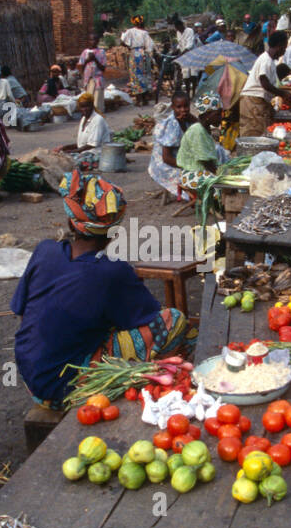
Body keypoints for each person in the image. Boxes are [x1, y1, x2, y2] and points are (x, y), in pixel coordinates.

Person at [11, 171, 191, 409]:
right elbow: (150, 315)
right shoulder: (112, 272)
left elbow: (22, 312)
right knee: (175, 321)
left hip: (30, 376)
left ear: (69, 222)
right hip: (67, 385)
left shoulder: (44, 251)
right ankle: (173, 377)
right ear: (114, 233)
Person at [238, 30, 291, 140]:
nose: (284, 51)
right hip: (253, 100)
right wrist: (283, 93)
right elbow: (265, 83)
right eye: (284, 48)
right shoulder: (266, 60)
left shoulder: (270, 61)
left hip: (258, 100)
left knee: (260, 133)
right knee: (253, 135)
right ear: (279, 46)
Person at [146, 97, 186, 199]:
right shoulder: (172, 125)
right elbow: (166, 158)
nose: (183, 110)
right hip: (163, 165)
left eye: (186, 107)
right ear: (173, 108)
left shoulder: (181, 121)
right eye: (179, 107)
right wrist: (188, 165)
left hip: (161, 161)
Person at [176, 94, 223, 174]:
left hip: (202, 169)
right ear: (206, 115)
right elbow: (205, 161)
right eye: (217, 114)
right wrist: (219, 174)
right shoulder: (197, 130)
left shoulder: (204, 128)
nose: (221, 118)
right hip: (193, 173)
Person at [121, 16, 156, 100]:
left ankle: (139, 98)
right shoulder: (144, 33)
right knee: (145, 74)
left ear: (134, 23)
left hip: (134, 54)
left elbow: (121, 41)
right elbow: (150, 46)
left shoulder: (130, 31)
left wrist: (129, 47)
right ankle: (145, 98)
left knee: (135, 75)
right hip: (143, 54)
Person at [76, 33, 107, 114]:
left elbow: (103, 68)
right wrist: (87, 60)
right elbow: (81, 67)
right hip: (88, 80)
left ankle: (98, 114)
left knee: (97, 101)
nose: (92, 41)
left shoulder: (101, 52)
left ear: (97, 41)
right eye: (91, 40)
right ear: (88, 41)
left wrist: (95, 59)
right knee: (89, 99)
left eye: (94, 40)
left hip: (98, 79)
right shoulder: (85, 52)